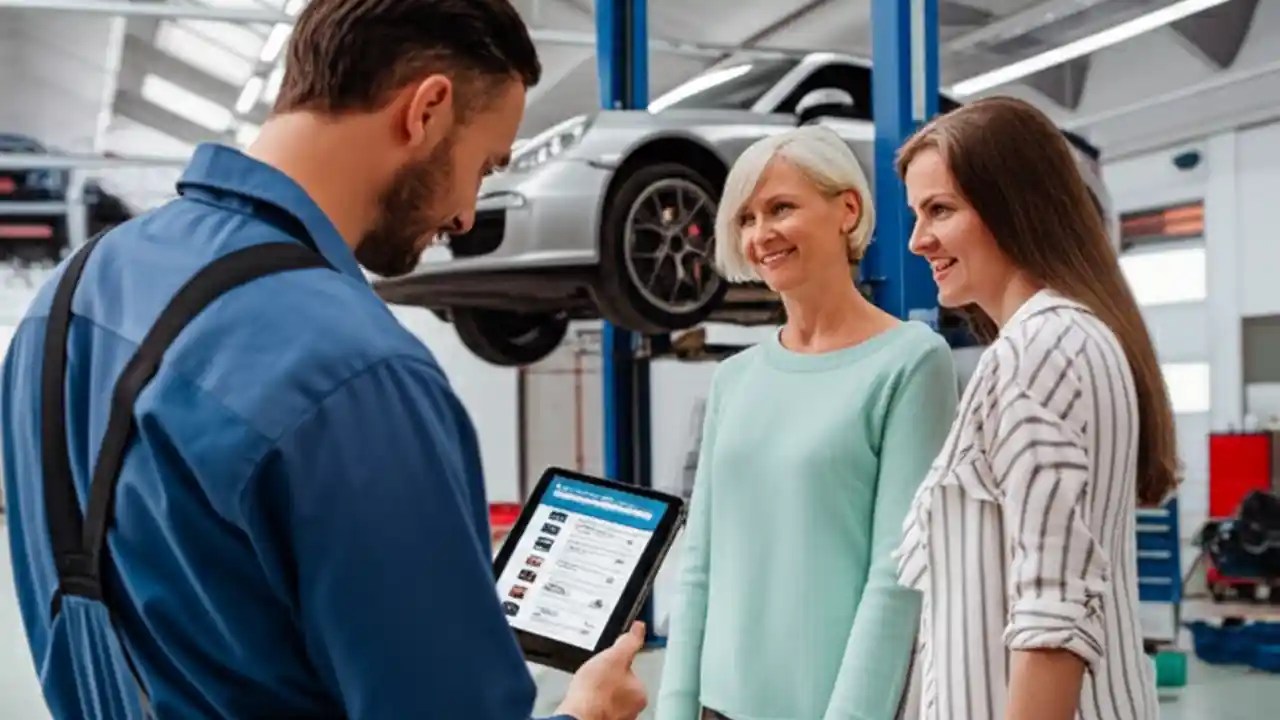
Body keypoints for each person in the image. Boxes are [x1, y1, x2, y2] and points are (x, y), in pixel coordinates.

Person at [0, 2, 647, 719]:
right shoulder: (355, 370)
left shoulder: (68, 295)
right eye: (484, 165)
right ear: (426, 109)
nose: (466, 214)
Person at [654, 126, 959, 720]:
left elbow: (895, 576)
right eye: (746, 218)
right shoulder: (735, 378)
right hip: (717, 707)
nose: (760, 234)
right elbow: (699, 564)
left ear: (847, 209)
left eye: (781, 208)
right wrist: (675, 708)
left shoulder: (911, 362)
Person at [893, 96, 1178, 720]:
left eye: (940, 209)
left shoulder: (1037, 351)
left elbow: (1053, 617)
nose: (917, 240)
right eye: (917, 213)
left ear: (1011, 205)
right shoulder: (1072, 337)